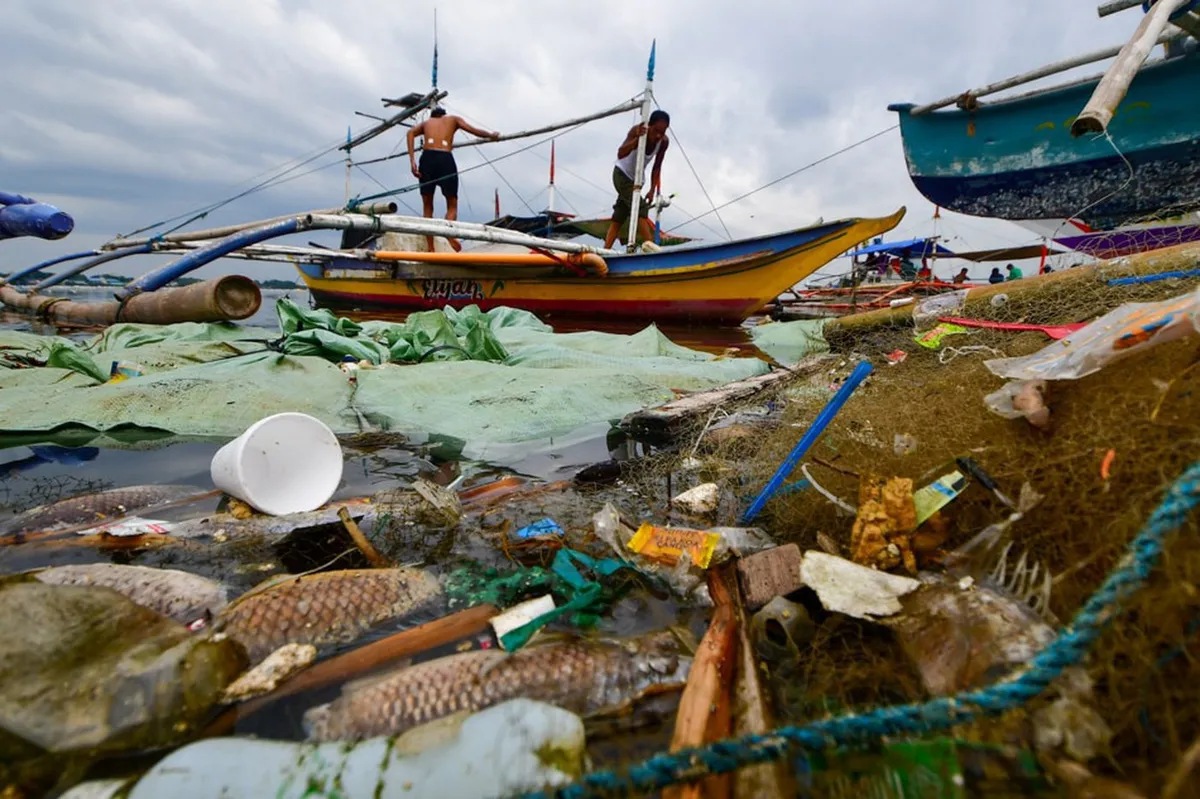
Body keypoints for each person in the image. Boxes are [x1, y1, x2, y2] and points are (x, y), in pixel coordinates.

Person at [407, 107, 500, 251]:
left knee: (427, 206)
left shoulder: (426, 123)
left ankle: (431, 248)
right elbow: (474, 130)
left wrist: (412, 161)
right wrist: (491, 135)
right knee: (452, 204)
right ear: (444, 115)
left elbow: (410, 132)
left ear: (433, 116)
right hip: (445, 158)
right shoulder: (453, 119)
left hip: (427, 158)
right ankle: (449, 234)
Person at [604, 110, 671, 249]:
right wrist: (637, 140)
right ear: (650, 126)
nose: (658, 136)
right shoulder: (638, 131)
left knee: (620, 215)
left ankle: (605, 251)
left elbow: (657, 167)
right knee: (640, 208)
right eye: (656, 131)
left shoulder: (663, 142)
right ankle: (652, 250)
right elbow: (621, 153)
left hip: (636, 181)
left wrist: (652, 189)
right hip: (621, 174)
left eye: (662, 132)